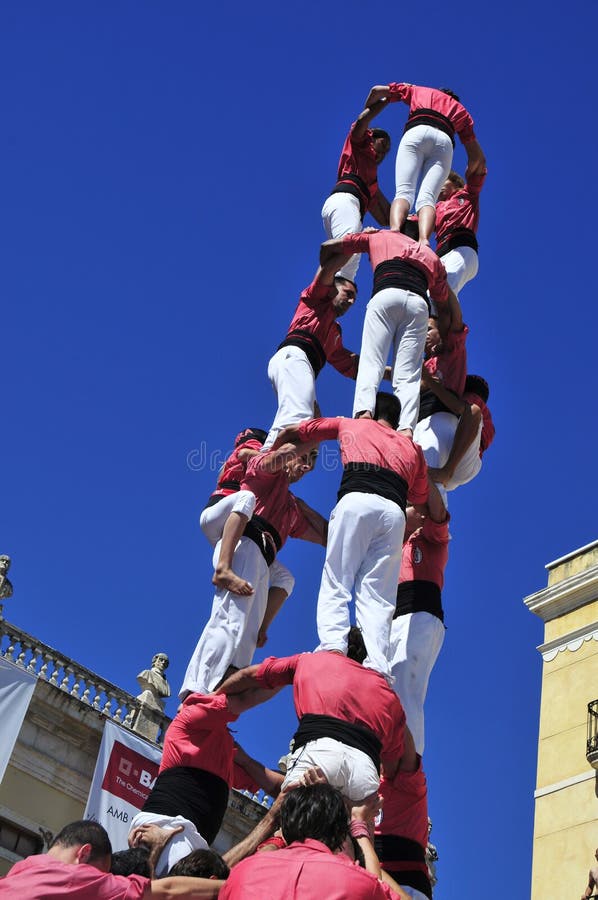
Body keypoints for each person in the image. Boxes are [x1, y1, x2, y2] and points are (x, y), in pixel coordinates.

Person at [273, 392, 428, 680]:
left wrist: (278, 445)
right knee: (379, 594)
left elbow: (303, 429)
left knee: (338, 579)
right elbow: (420, 495)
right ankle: (378, 663)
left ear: (370, 410)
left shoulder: (352, 424)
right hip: (393, 513)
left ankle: (333, 646)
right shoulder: (412, 447)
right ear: (396, 420)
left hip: (356, 501)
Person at [179, 443, 327, 697]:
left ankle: (226, 688)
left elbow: (328, 534)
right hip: (243, 544)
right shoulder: (266, 474)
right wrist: (307, 438)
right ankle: (197, 688)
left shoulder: (291, 507)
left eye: (313, 461)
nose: (308, 466)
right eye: (305, 457)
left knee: (253, 624)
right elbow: (258, 456)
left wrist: (303, 506)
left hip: (262, 556)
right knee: (231, 617)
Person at [216, 630, 411, 802]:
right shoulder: (388, 694)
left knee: (295, 820)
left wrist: (213, 697)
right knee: (352, 835)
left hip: (319, 751)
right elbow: (392, 765)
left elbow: (249, 676)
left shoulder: (312, 660)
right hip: (364, 771)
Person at [129, 687, 277, 877]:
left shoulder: (227, 752)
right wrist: (293, 671)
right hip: (167, 827)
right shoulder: (190, 715)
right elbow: (242, 697)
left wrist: (245, 759)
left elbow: (277, 787)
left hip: (188, 841)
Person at [320, 226, 453, 434]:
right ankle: (406, 429)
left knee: (372, 361)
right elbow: (443, 302)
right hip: (419, 304)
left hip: (386, 294)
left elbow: (329, 246)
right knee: (408, 374)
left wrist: (327, 276)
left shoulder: (382, 236)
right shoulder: (430, 255)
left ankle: (364, 413)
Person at [219, 783, 407, 899]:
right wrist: (360, 827)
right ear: (340, 833)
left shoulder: (241, 874)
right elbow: (379, 886)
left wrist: (276, 836)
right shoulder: (359, 883)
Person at [198, 425, 295, 643]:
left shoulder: (231, 463)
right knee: (247, 498)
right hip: (218, 513)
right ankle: (223, 569)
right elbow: (246, 454)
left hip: (227, 527)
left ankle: (259, 627)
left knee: (285, 577)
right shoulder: (249, 448)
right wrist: (279, 458)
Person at [262, 245, 361, 451]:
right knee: (300, 423)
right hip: (295, 356)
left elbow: (356, 367)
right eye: (348, 294)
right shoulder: (315, 299)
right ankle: (264, 467)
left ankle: (267, 457)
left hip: (299, 363)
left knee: (308, 429)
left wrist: (402, 373)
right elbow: (327, 269)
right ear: (333, 288)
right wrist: (356, 244)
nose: (350, 302)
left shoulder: (334, 334)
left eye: (353, 301)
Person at [364, 82, 485, 244]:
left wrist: (367, 113)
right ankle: (424, 240)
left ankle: (394, 231)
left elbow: (376, 91)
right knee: (427, 198)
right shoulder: (462, 111)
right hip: (444, 142)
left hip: (416, 132)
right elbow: (473, 151)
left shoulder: (419, 90)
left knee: (404, 192)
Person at [0, 819, 225, 898]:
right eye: (100, 873)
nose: (100, 878)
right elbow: (165, 891)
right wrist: (231, 885)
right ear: (83, 853)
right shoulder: (77, 877)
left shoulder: (22, 868)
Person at [389, 482, 449, 755]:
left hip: (421, 610)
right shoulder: (396, 539)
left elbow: (437, 508)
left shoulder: (434, 537)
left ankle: (408, 762)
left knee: (405, 686)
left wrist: (424, 473)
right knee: (383, 682)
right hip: (393, 614)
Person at [321, 85, 392, 282]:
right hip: (345, 201)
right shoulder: (359, 145)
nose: (383, 152)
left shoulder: (371, 184)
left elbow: (386, 217)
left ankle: (330, 300)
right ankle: (321, 294)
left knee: (348, 269)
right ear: (371, 138)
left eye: (387, 152)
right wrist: (388, 99)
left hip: (349, 206)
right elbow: (363, 119)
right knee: (351, 249)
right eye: (383, 144)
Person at [412, 289, 468, 503]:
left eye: (428, 329)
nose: (423, 335)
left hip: (440, 419)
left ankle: (434, 532)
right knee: (412, 478)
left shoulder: (451, 353)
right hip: (418, 424)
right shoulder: (422, 365)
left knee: (430, 478)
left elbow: (455, 318)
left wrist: (442, 285)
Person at [424, 374, 495, 498]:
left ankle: (446, 471)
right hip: (461, 469)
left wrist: (431, 382)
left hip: (456, 464)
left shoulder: (475, 399)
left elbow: (460, 407)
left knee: (473, 411)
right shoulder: (489, 423)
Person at [434, 167, 486, 297]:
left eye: (443, 181)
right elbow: (411, 222)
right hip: (440, 254)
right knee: (431, 295)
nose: (439, 187)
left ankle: (452, 317)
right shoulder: (434, 209)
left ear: (455, 183)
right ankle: (454, 317)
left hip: (462, 247)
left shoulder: (467, 195)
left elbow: (478, 168)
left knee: (446, 288)